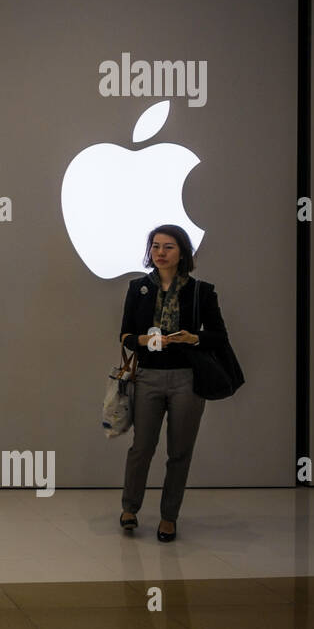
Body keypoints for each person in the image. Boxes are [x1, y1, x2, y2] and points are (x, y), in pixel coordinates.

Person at [118, 224, 227, 543]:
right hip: (148, 376)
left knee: (180, 451)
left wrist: (194, 337)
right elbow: (124, 335)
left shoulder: (200, 292)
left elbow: (219, 336)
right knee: (142, 447)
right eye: (155, 246)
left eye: (168, 247)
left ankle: (169, 517)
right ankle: (129, 508)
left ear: (183, 252)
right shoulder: (138, 287)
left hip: (187, 377)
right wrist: (140, 339)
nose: (161, 253)